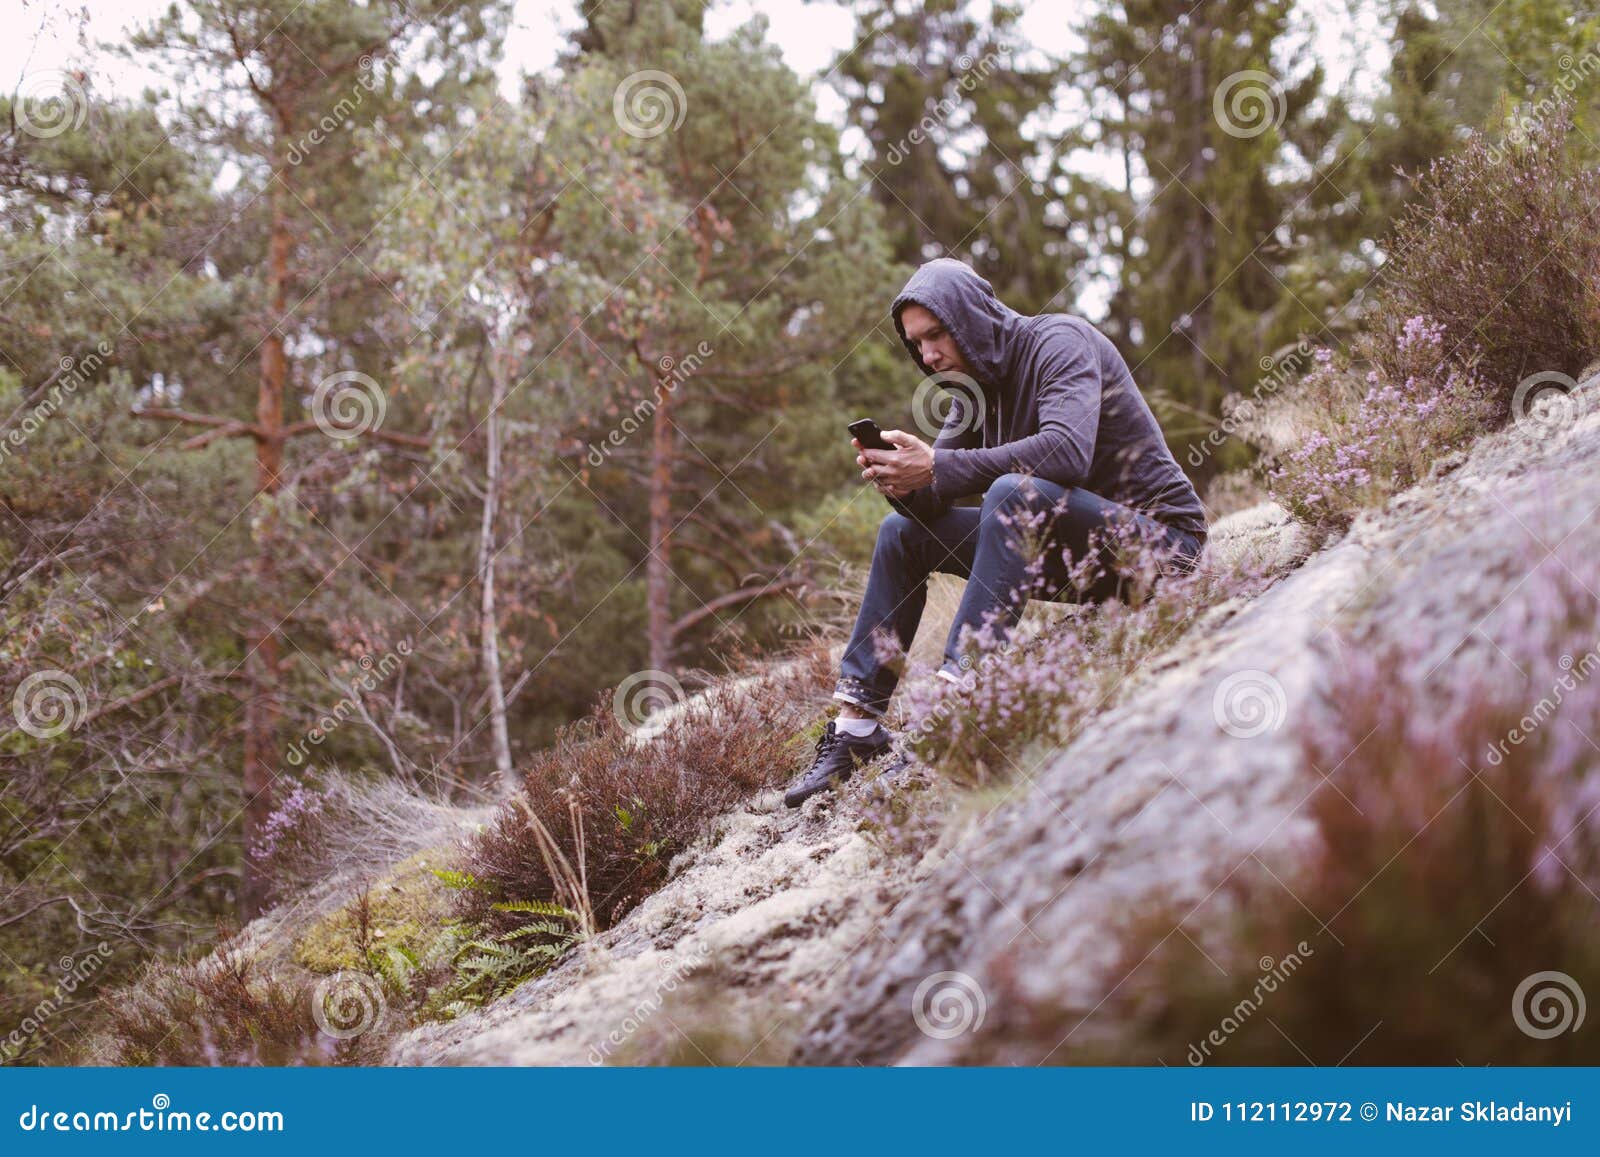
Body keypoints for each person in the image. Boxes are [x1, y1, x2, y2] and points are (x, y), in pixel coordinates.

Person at [783, 257, 1209, 808]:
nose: (929, 354)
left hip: (1161, 547)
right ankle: (857, 730)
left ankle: (958, 708)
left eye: (936, 334)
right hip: (1078, 563)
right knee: (899, 533)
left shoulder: (1061, 342)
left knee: (1011, 492)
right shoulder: (971, 391)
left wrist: (936, 466)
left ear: (970, 317)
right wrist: (905, 483)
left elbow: (1066, 451)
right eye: (917, 344)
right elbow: (937, 493)